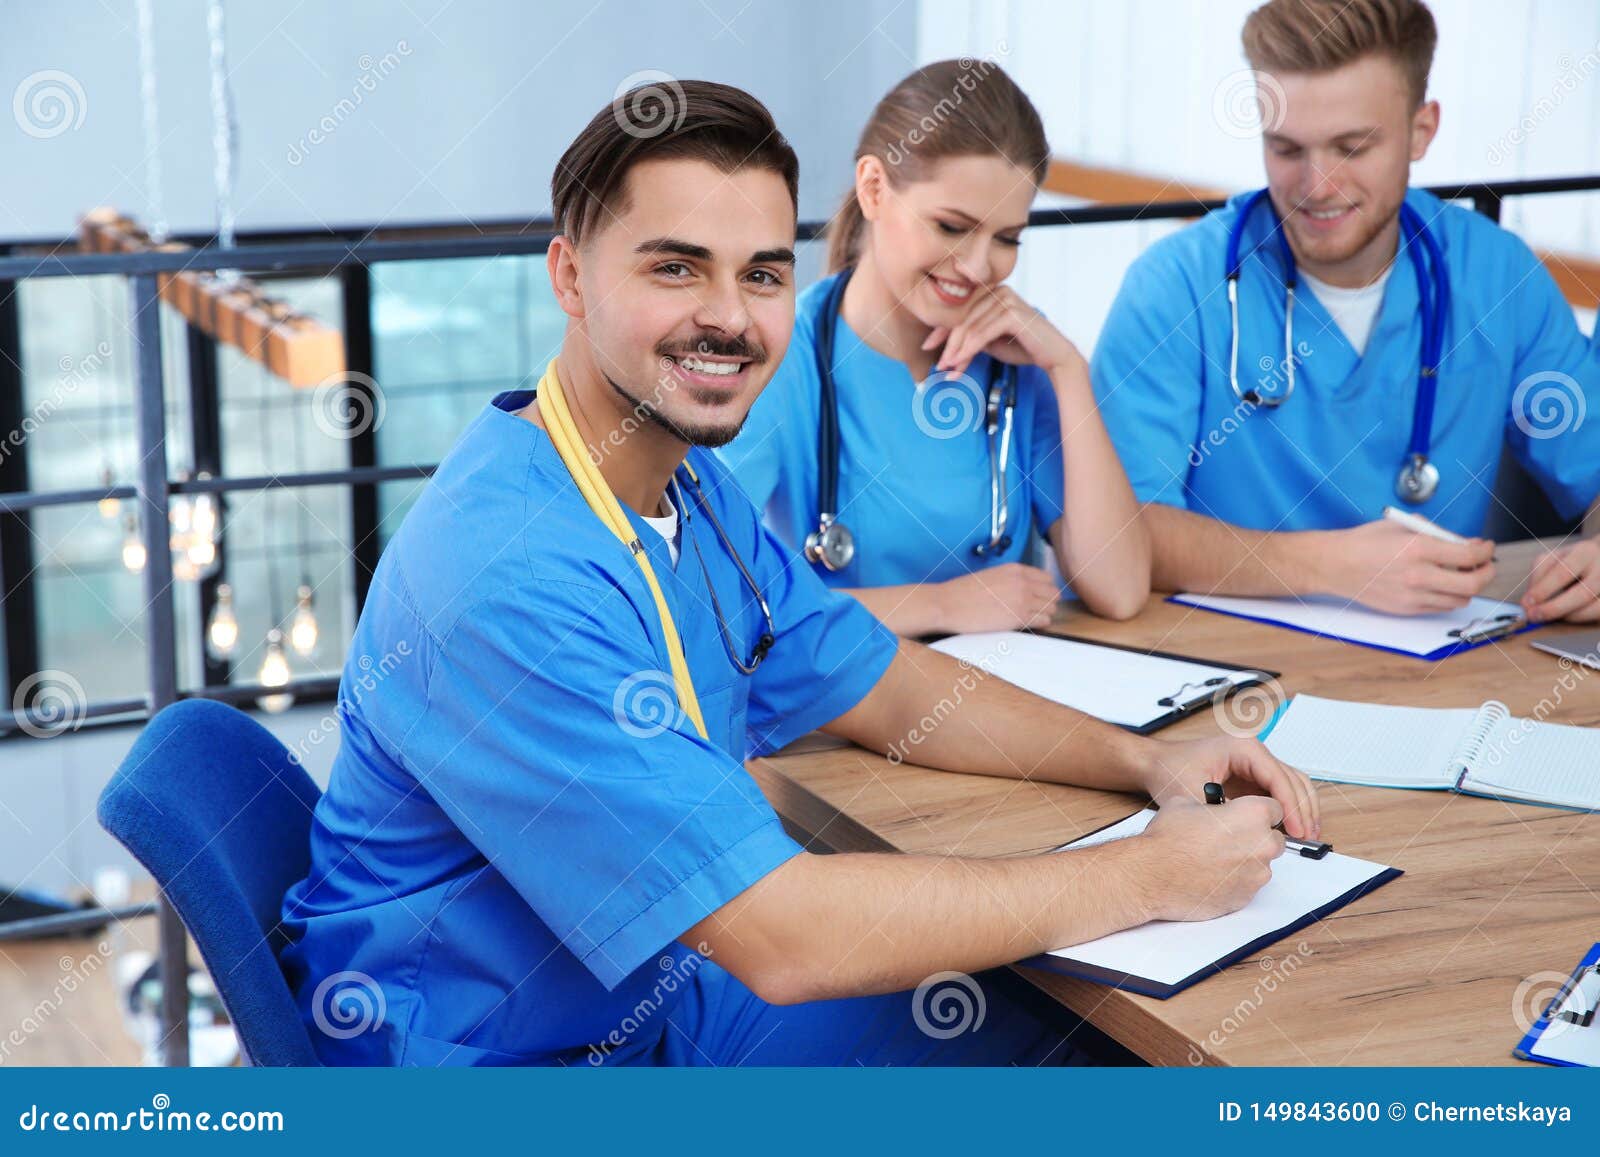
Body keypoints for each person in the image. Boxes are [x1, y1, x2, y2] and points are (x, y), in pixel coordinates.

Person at [280, 80, 1316, 1068]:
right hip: (496, 1059)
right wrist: (1140, 872)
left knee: (1059, 1031)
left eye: (763, 273)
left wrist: (1148, 765)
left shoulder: (684, 487)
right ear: (568, 276)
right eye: (676, 267)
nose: (730, 316)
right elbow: (781, 937)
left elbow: (883, 680)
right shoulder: (507, 576)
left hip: (650, 996)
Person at [1091, 0, 1600, 622]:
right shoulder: (1174, 288)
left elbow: (1592, 468)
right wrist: (1333, 568)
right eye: (1286, 149)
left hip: (1442, 669)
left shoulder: (1496, 277)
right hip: (1224, 672)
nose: (1317, 187)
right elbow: (1116, 539)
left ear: (1421, 130)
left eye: (1351, 147)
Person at [718, 61, 1150, 636]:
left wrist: (1068, 370)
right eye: (951, 227)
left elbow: (1119, 590)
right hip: (847, 708)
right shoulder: (783, 353)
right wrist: (940, 607)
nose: (977, 267)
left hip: (1011, 694)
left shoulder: (1021, 358)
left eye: (1006, 239)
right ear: (874, 189)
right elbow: (723, 600)